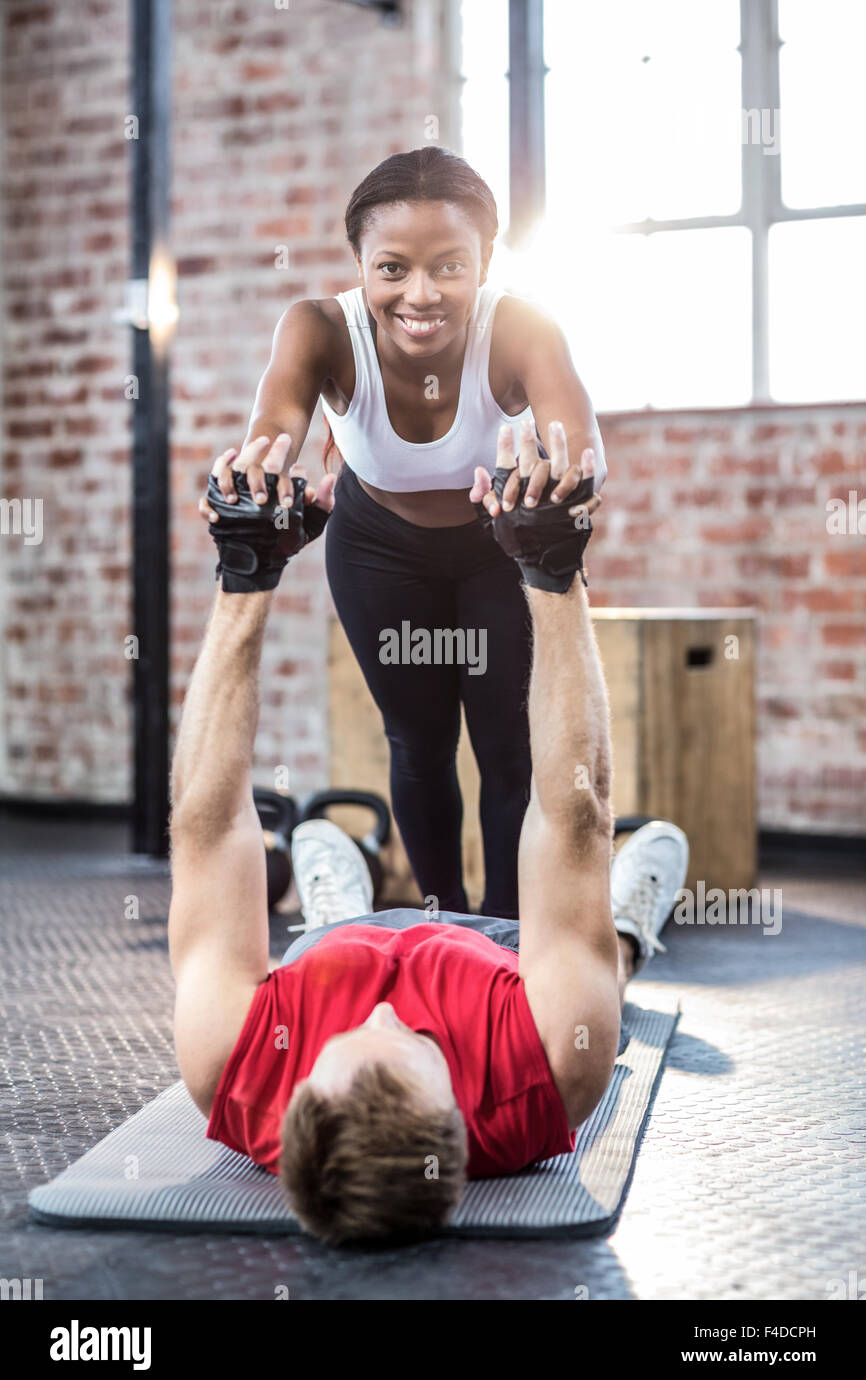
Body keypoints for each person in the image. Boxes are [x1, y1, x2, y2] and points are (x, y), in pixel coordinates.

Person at [170, 424, 688, 1247]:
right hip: (510, 958)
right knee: (596, 970)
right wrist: (552, 572)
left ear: (294, 1106)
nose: (382, 1014)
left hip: (345, 947)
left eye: (346, 1041)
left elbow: (205, 823)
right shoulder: (551, 1065)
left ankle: (338, 916)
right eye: (409, 1045)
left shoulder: (233, 1065)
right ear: (463, 1119)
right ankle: (626, 928)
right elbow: (575, 815)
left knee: (328, 946)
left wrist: (245, 573)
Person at [199, 146, 609, 919]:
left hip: (498, 551)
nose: (421, 294)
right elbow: (274, 426)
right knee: (417, 743)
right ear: (359, 263)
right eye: (392, 269)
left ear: (485, 264)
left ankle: (509, 935)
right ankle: (439, 921)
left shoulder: (520, 326)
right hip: (377, 548)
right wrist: (257, 477)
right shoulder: (319, 327)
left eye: (450, 266)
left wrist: (561, 476)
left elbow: (580, 443)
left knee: (510, 749)